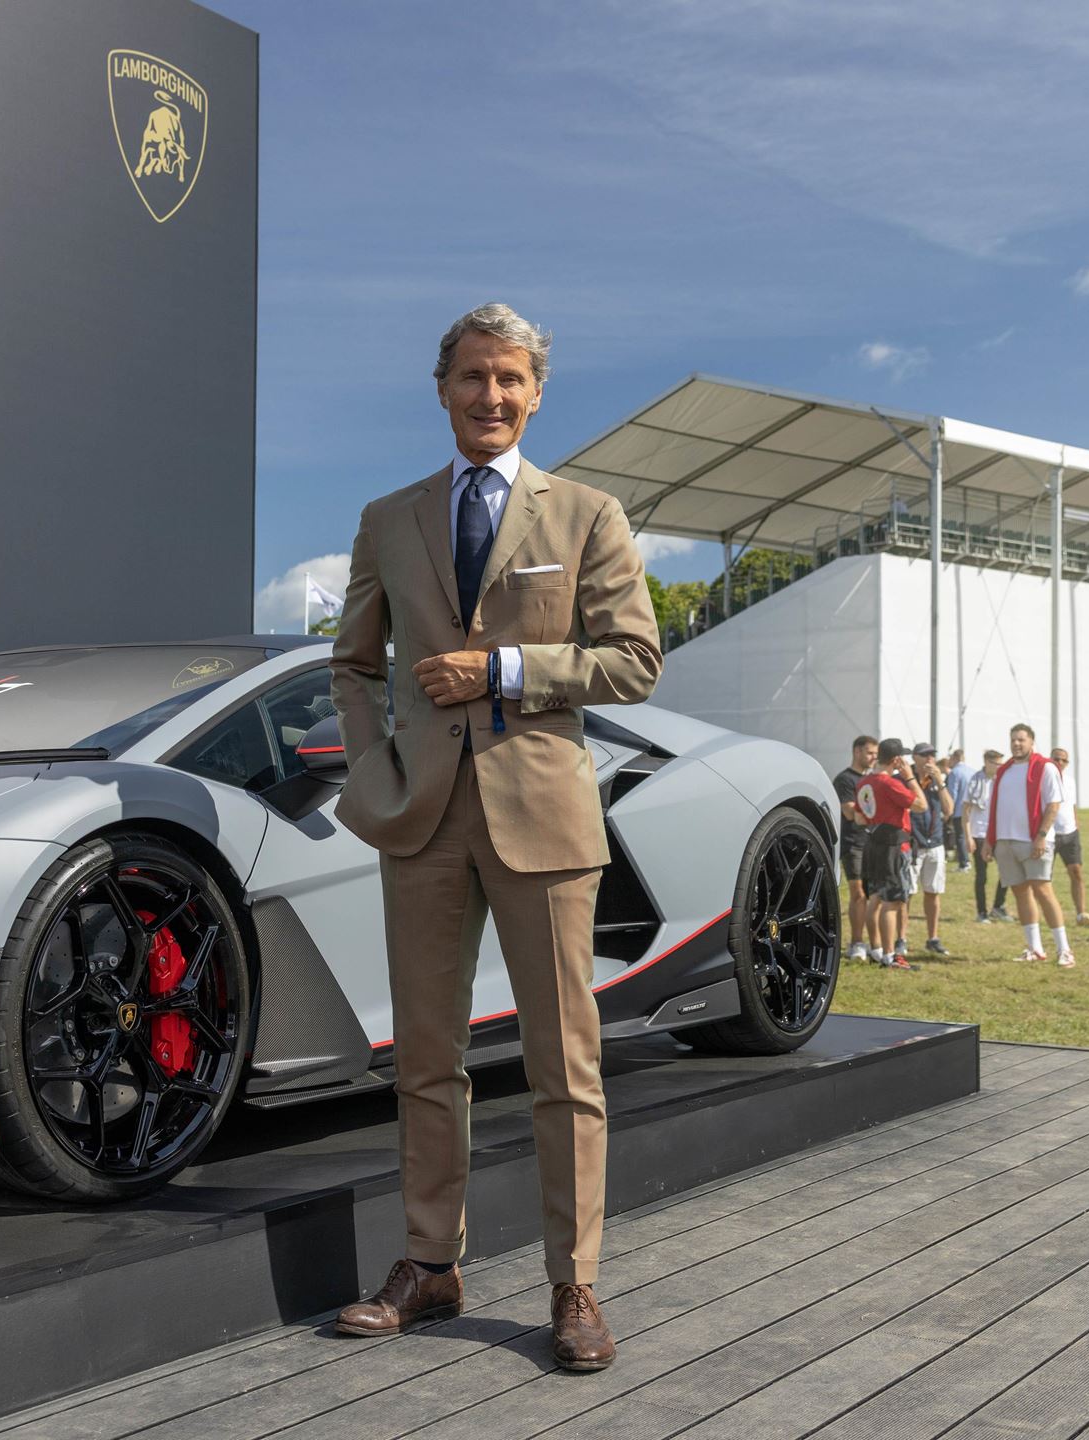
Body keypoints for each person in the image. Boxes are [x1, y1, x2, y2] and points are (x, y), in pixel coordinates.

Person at [330, 302, 661, 1371]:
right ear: (443, 388)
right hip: (420, 817)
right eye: (473, 376)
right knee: (427, 1057)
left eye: (511, 378)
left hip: (546, 817)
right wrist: (375, 768)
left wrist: (507, 669)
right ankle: (432, 1266)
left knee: (566, 1063)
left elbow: (634, 663)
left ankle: (576, 1287)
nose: (491, 396)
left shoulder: (588, 514)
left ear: (536, 391)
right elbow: (352, 663)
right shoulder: (389, 517)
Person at [983, 723, 1074, 967]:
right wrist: (990, 840)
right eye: (1013, 739)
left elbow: (1053, 805)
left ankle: (1064, 950)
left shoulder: (1045, 767)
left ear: (1032, 742)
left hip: (1034, 841)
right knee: (1020, 893)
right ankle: (1034, 948)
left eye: (1021, 740)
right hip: (1005, 842)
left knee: (1043, 891)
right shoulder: (1004, 771)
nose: (1016, 744)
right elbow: (994, 807)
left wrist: (1042, 836)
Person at [857, 739, 925, 969]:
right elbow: (921, 805)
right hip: (894, 847)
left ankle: (876, 948)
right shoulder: (891, 784)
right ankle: (889, 955)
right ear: (896, 760)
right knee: (893, 901)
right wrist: (910, 778)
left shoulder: (864, 783)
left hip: (873, 843)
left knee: (875, 897)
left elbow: (858, 817)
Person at [907, 744, 953, 954]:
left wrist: (940, 782)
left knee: (933, 892)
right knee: (906, 894)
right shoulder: (906, 779)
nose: (929, 759)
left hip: (935, 843)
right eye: (924, 755)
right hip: (913, 843)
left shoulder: (938, 781)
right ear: (915, 757)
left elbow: (949, 810)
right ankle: (901, 937)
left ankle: (933, 937)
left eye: (932, 755)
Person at [836, 735, 878, 960]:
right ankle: (856, 942)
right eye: (870, 753)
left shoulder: (874, 779)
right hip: (853, 843)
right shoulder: (844, 780)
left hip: (874, 843)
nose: (873, 758)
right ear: (857, 751)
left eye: (876, 754)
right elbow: (850, 812)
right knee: (858, 894)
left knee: (874, 896)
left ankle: (876, 943)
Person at [1050, 748, 1089, 928]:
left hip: (1070, 833)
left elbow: (1071, 804)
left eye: (1064, 760)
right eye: (1057, 759)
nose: (1060, 763)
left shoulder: (1070, 781)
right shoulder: (1044, 779)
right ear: (1050, 759)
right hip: (1050, 834)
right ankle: (1043, 914)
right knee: (1043, 878)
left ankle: (1081, 914)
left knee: (1076, 872)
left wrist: (1076, 822)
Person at [968, 749, 1006, 923]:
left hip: (999, 833)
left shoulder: (1003, 781)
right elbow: (966, 810)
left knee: (1007, 872)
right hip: (979, 834)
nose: (999, 767)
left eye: (1000, 763)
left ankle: (998, 906)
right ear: (986, 762)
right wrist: (968, 836)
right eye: (995, 763)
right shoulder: (976, 780)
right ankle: (981, 912)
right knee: (982, 876)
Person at [944, 747, 976, 872]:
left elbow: (952, 793)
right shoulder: (972, 772)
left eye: (951, 758)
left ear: (956, 758)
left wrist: (948, 811)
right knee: (972, 835)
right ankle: (972, 859)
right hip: (973, 810)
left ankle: (964, 863)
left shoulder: (954, 773)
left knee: (960, 837)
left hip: (959, 810)